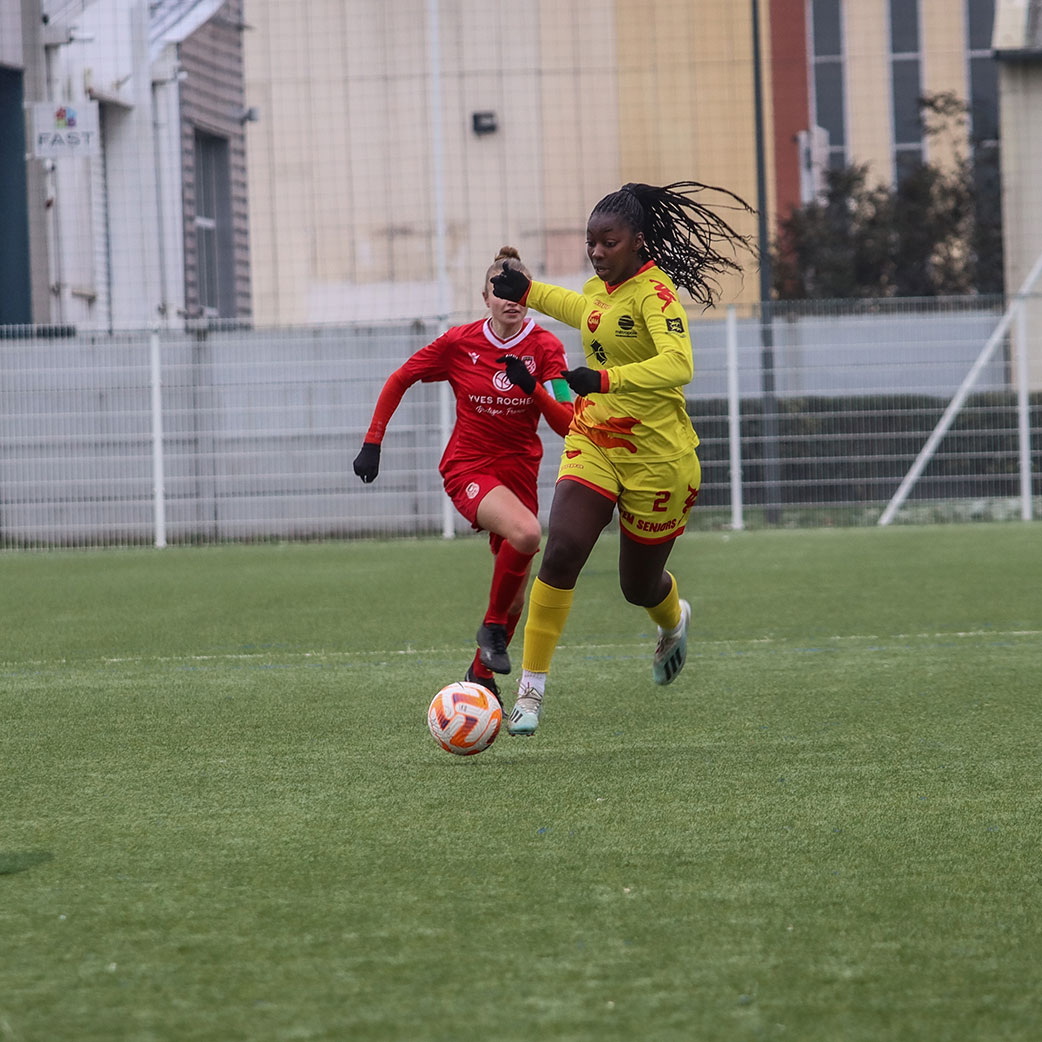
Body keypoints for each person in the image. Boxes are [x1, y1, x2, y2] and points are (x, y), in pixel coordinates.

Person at [490, 181, 755, 735]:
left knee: (638, 587)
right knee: (561, 549)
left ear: (637, 241)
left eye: (607, 242)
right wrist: (529, 288)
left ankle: (673, 619)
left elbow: (679, 366)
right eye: (591, 242)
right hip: (594, 440)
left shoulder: (657, 296)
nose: (596, 251)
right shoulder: (601, 291)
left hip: (659, 461)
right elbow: (580, 307)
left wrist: (606, 376)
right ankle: (531, 693)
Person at [353, 246, 573, 701]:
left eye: (519, 291)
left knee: (516, 598)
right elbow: (401, 378)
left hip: (519, 476)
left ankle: (480, 676)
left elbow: (567, 422)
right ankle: (491, 631)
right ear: (485, 296)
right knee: (529, 535)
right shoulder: (460, 342)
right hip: (469, 467)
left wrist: (532, 388)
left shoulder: (548, 348)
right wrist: (373, 441)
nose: (511, 299)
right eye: (501, 290)